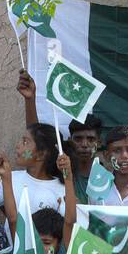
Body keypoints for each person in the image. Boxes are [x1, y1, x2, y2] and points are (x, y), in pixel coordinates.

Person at [17, 69, 103, 204]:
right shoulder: (58, 172)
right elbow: (36, 138)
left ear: (100, 142)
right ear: (70, 141)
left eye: (91, 139)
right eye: (78, 139)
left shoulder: (105, 178)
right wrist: (30, 99)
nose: (85, 144)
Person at [0, 124, 67, 224]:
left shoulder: (61, 190)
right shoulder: (11, 177)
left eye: (25, 142)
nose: (17, 145)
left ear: (41, 154)